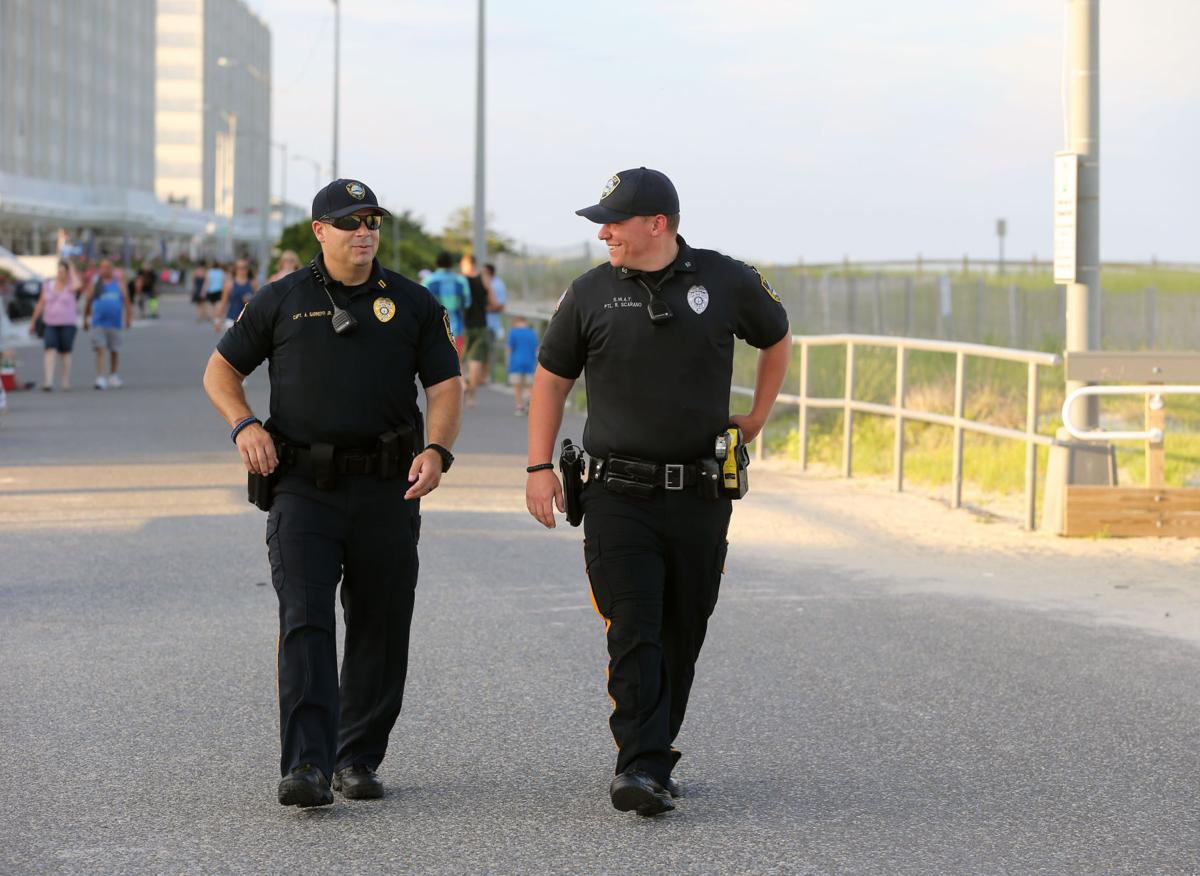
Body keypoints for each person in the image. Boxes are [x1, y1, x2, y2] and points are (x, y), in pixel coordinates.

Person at [525, 167, 792, 817]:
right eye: (601, 224)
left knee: (683, 626)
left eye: (614, 222)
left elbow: (776, 338)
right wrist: (538, 466)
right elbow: (552, 379)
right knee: (634, 623)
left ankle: (655, 750)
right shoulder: (589, 293)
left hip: (701, 492)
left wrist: (755, 417)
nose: (605, 233)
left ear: (658, 224)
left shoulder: (725, 280)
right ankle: (639, 764)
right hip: (618, 492)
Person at [202, 178, 464, 808]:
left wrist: (437, 450)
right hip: (302, 488)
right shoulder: (281, 299)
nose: (364, 231)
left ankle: (358, 759)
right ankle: (307, 767)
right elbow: (220, 371)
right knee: (306, 620)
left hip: (387, 488)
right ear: (320, 232)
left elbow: (446, 384)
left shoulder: (412, 302)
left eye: (371, 220)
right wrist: (244, 425)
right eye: (349, 222)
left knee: (380, 624)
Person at [28, 260, 83, 391]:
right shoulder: (48, 284)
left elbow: (78, 285)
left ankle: (65, 380)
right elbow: (41, 303)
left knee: (65, 352)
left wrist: (72, 269)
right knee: (49, 349)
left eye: (63, 271)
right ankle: (48, 381)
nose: (60, 274)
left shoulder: (71, 285)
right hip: (50, 323)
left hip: (68, 323)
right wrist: (33, 321)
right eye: (59, 271)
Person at [82, 258, 132, 390]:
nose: (105, 270)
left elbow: (127, 301)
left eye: (107, 267)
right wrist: (85, 319)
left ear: (112, 269)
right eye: (102, 267)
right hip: (98, 322)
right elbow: (88, 301)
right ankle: (100, 377)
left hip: (115, 323)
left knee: (114, 350)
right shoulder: (96, 283)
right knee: (100, 349)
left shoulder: (119, 284)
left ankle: (113, 375)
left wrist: (128, 317)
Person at [460, 254, 496, 406]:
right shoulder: (484, 279)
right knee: (476, 361)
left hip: (462, 326)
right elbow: (494, 303)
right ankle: (471, 396)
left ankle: (463, 384)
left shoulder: (460, 281)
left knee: (459, 359)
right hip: (481, 324)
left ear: (466, 264)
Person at [422, 251, 470, 358]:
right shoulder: (461, 281)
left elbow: (422, 306)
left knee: (436, 367)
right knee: (456, 366)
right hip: (457, 328)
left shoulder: (428, 280)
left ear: (436, 263)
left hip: (433, 331)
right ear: (451, 264)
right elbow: (467, 303)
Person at [506, 314, 537, 415]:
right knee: (529, 385)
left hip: (516, 362)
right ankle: (529, 402)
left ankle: (519, 406)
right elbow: (536, 349)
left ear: (515, 322)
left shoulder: (513, 332)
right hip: (530, 362)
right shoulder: (533, 333)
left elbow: (510, 348)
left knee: (517, 386)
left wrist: (508, 362)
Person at [215, 257, 256, 331]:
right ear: (235, 269)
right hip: (231, 320)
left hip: (248, 321)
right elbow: (223, 303)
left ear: (248, 269)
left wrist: (250, 300)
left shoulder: (253, 283)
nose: (242, 270)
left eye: (244, 267)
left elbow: (258, 303)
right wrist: (218, 320)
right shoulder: (229, 284)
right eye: (239, 268)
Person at [483, 261, 507, 380]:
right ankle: (482, 376)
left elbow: (500, 306)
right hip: (483, 323)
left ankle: (486, 376)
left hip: (491, 324)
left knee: (487, 350)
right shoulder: (487, 283)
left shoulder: (497, 285)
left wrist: (483, 309)